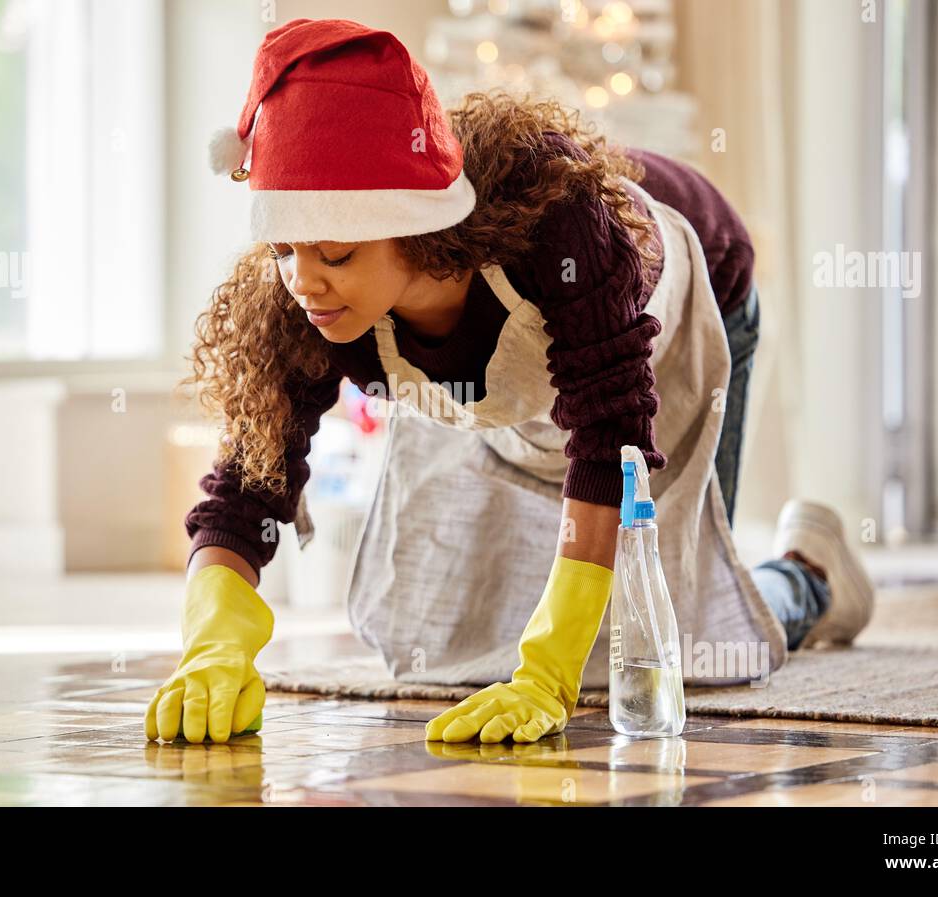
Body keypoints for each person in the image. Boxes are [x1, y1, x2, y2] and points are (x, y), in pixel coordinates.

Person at [144, 18, 875, 747]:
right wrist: (214, 643)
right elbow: (243, 492)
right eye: (283, 246)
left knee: (668, 641)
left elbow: (612, 440)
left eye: (334, 250)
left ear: (418, 229)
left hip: (689, 307)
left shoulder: (560, 232)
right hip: (528, 393)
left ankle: (810, 569)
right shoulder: (303, 297)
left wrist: (549, 669)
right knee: (463, 636)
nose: (303, 279)